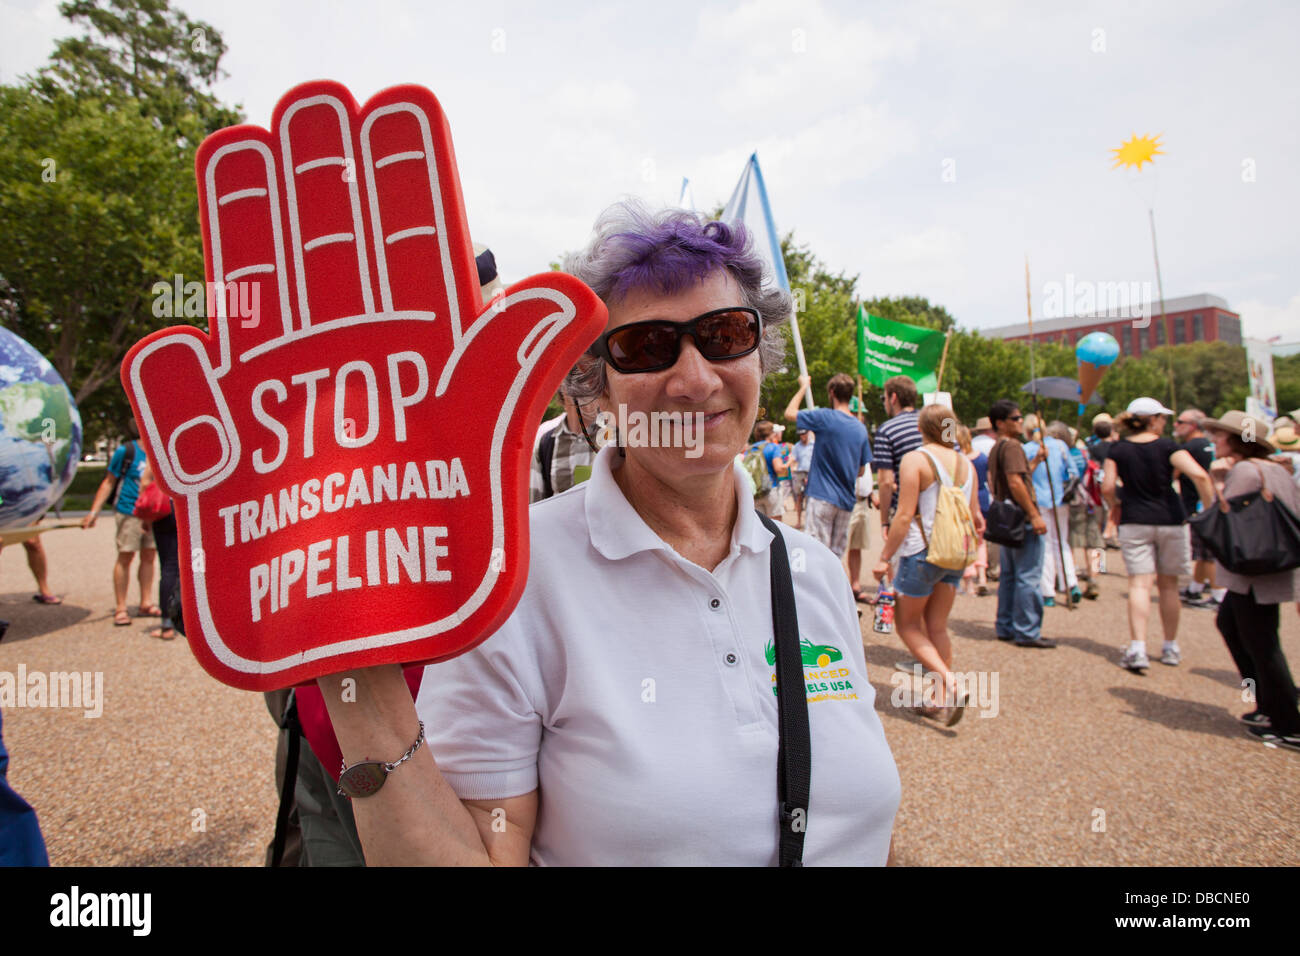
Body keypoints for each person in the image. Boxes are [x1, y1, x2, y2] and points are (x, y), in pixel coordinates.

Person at [315, 202, 900, 865]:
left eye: (725, 333)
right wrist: (345, 664)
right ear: (597, 384)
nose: (695, 380)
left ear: (759, 357)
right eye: (647, 346)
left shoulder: (813, 572)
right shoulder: (514, 582)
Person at [874, 405, 984, 726]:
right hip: (955, 554)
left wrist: (884, 558)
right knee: (937, 626)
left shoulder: (916, 460)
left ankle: (951, 684)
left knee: (908, 626)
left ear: (922, 427)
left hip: (921, 551)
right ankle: (937, 699)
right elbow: (976, 516)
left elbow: (905, 515)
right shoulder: (967, 463)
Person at [1200, 410, 1300, 751]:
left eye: (1222, 435)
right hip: (1270, 565)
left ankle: (1286, 719)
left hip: (1253, 570)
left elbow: (1222, 512)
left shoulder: (1243, 470)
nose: (1216, 440)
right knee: (1232, 625)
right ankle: (1268, 704)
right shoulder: (1276, 468)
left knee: (1261, 642)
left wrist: (1216, 481)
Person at [1103, 398, 1213, 673]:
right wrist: (1211, 511)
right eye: (1162, 418)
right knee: (1168, 585)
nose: (1165, 423)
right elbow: (1200, 476)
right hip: (1170, 518)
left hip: (1134, 518)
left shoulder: (1118, 449)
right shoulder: (1168, 447)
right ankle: (1169, 646)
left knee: (1139, 584)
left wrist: (1115, 505)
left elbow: (1107, 487)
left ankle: (1138, 647)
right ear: (1153, 419)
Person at [782, 373, 873, 578]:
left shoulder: (825, 417)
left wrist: (804, 386)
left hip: (822, 495)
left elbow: (790, 413)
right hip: (845, 501)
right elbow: (860, 471)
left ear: (832, 392)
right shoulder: (860, 429)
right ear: (850, 396)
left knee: (814, 555)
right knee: (835, 558)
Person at [986, 399, 1053, 648]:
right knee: (1028, 576)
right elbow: (1015, 482)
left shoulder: (998, 446)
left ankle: (1006, 625)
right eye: (1015, 418)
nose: (1021, 421)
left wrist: (1034, 462)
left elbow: (1011, 479)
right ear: (1001, 423)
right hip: (1021, 519)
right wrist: (1034, 514)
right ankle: (1027, 630)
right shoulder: (1013, 445)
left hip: (1007, 518)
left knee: (1010, 576)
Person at [80, 424, 159, 627]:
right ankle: (121, 607)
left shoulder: (160, 450)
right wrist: (93, 512)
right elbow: (108, 482)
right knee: (126, 555)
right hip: (129, 510)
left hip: (153, 512)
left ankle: (146, 602)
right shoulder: (126, 451)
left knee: (149, 555)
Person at [1024, 418, 1082, 607]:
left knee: (1046, 545)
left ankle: (1048, 591)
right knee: (1061, 542)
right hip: (1059, 499)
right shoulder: (1060, 446)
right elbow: (1074, 472)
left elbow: (1024, 475)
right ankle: (1070, 583)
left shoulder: (1028, 449)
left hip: (1041, 500)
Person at [1173, 408, 1217, 608]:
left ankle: (1219, 594)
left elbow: (1177, 476)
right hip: (1207, 505)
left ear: (1192, 426)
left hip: (1199, 507)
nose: (1175, 424)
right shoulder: (1210, 445)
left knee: (1208, 554)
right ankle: (1195, 588)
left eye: (1179, 421)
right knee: (1203, 552)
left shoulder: (1187, 448)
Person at [871, 376, 922, 540]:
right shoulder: (941, 422)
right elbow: (957, 457)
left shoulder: (886, 430)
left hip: (905, 515)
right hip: (942, 511)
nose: (884, 402)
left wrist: (884, 521)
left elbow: (885, 481)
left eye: (884, 398)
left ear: (893, 398)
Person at [530, 387, 601, 502]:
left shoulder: (619, 437)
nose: (585, 382)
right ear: (563, 384)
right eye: (575, 373)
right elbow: (534, 508)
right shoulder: (545, 440)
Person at [955, 424, 990, 596]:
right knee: (980, 541)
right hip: (982, 498)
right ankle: (982, 576)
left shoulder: (958, 460)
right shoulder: (981, 457)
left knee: (965, 541)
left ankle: (968, 580)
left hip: (965, 500)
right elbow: (988, 480)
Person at [749, 420, 790, 523]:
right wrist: (789, 462)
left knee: (760, 525)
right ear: (771, 433)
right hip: (772, 489)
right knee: (777, 524)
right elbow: (778, 468)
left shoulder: (751, 449)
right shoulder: (773, 447)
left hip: (756, 491)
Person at [789, 429, 814, 526]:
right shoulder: (796, 446)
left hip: (811, 473)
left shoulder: (814, 445)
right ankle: (799, 521)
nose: (802, 436)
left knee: (810, 498)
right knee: (799, 497)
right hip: (800, 472)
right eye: (800, 435)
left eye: (803, 434)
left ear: (807, 433)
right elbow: (793, 459)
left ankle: (809, 522)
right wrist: (786, 465)